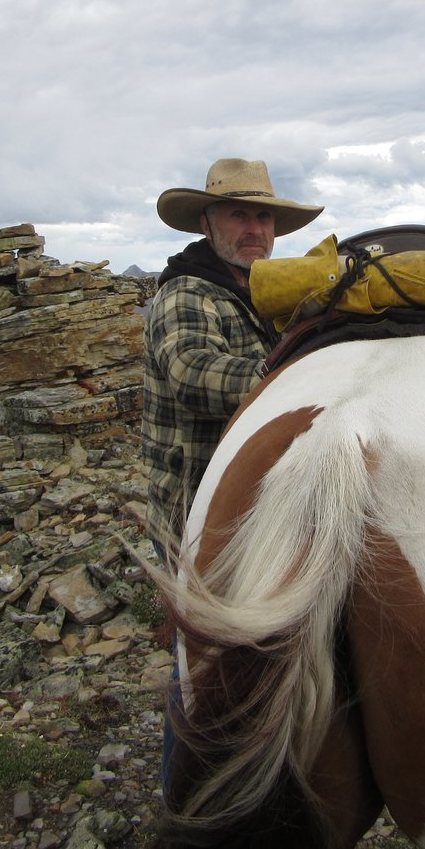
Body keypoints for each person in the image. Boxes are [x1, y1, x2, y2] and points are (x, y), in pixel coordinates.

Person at [142, 157, 324, 553]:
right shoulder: (186, 291)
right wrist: (301, 372)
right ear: (207, 225)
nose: (256, 229)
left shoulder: (261, 291)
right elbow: (191, 371)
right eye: (239, 215)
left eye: (264, 216)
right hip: (195, 512)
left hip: (253, 497)